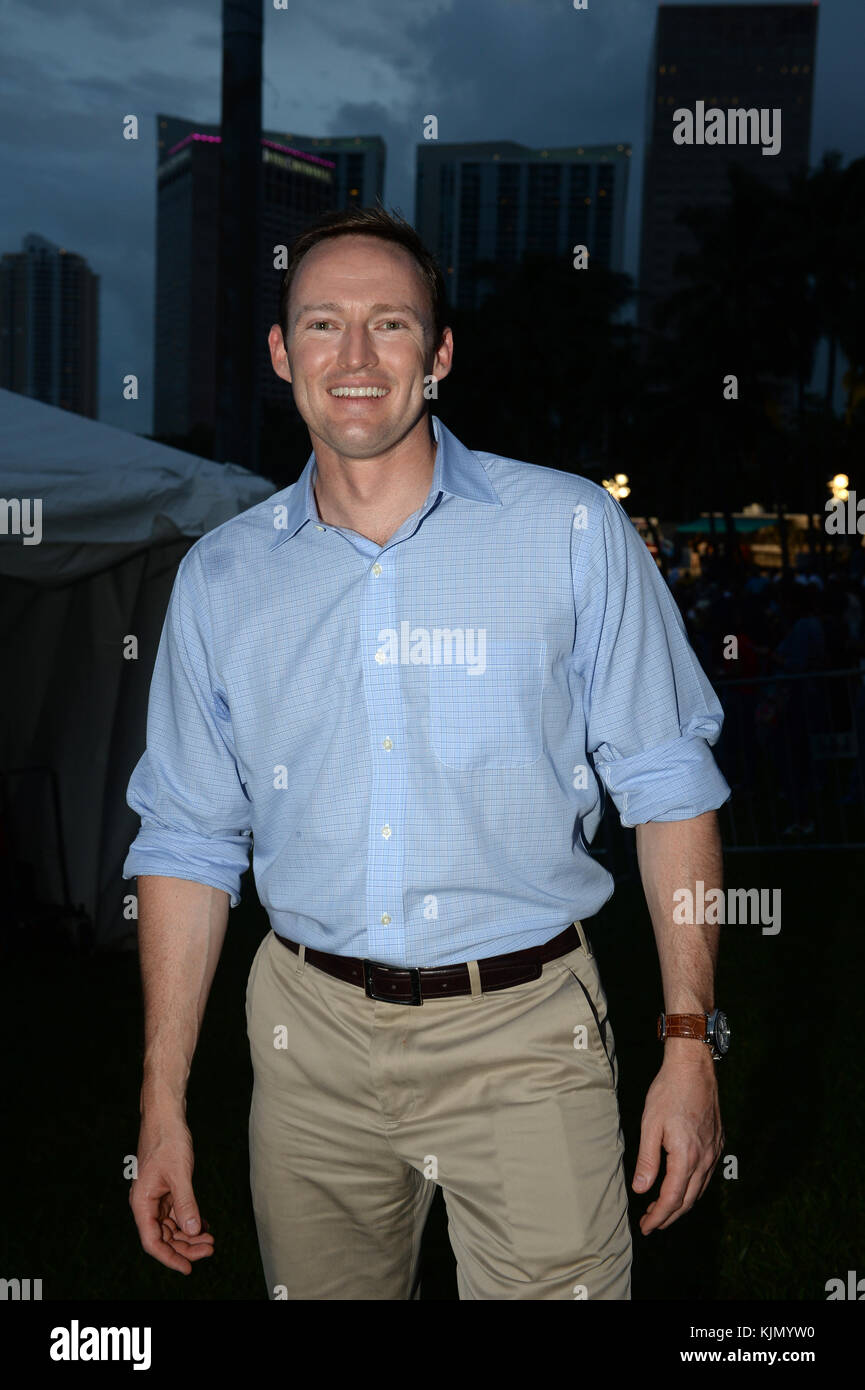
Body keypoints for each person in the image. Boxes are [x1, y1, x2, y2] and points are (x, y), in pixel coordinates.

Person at [124, 205, 731, 1301]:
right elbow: (186, 839)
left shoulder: (571, 532)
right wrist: (161, 1100)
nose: (354, 357)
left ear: (438, 354)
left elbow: (670, 784)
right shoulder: (219, 580)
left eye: (390, 324)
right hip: (303, 1040)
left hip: (525, 1033)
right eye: (321, 324)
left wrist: (688, 1041)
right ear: (281, 353)